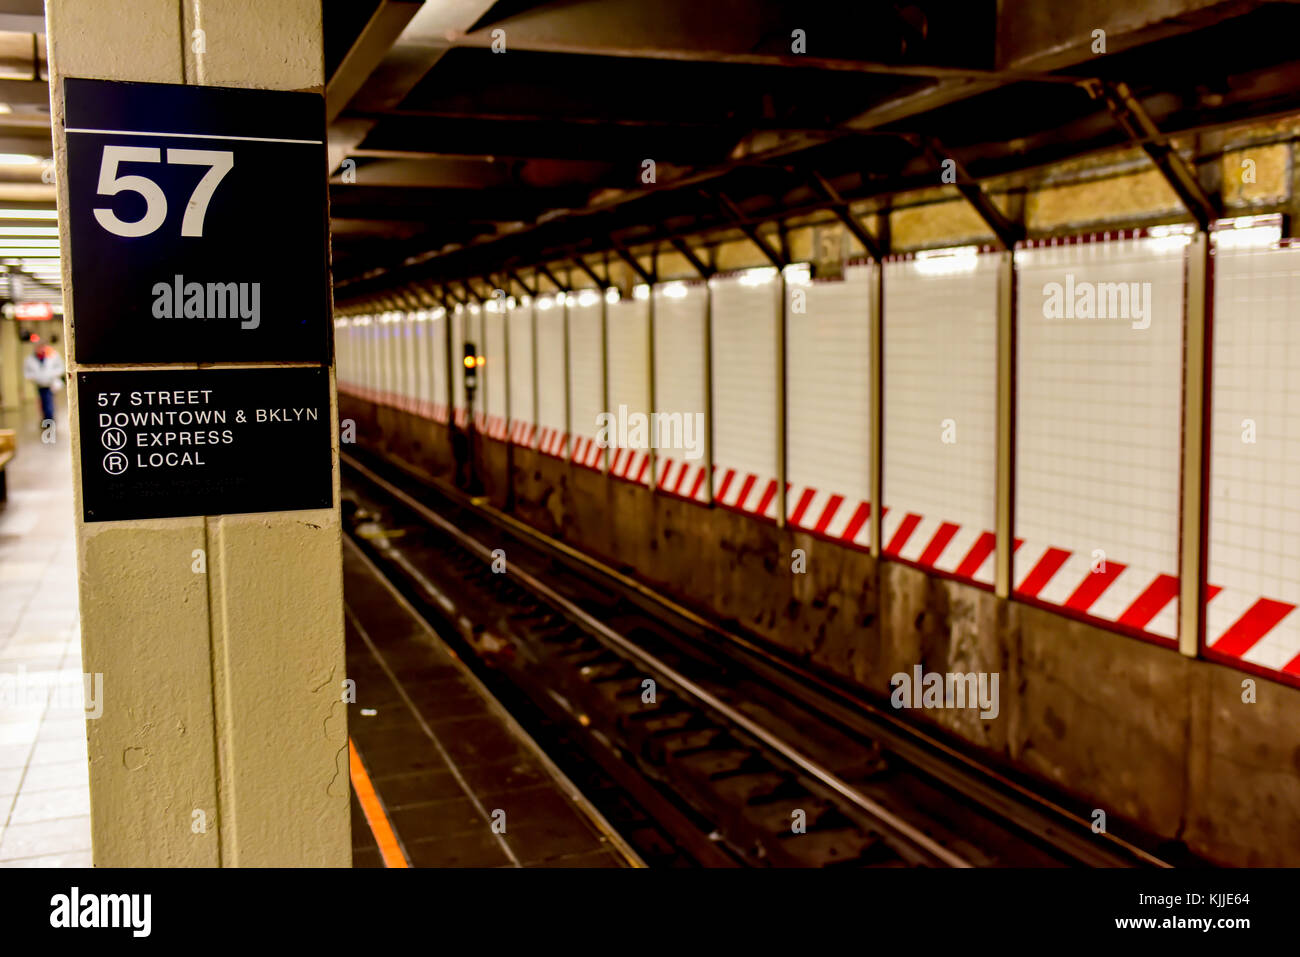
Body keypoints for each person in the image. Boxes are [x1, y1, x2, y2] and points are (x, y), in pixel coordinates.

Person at [22, 337, 64, 425]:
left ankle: (50, 419)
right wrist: (34, 377)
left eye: (41, 347)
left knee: (49, 401)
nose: (40, 349)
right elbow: (27, 372)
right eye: (38, 347)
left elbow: (61, 368)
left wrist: (52, 375)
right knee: (42, 402)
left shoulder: (53, 355)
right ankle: (46, 418)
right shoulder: (29, 359)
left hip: (51, 383)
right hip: (39, 384)